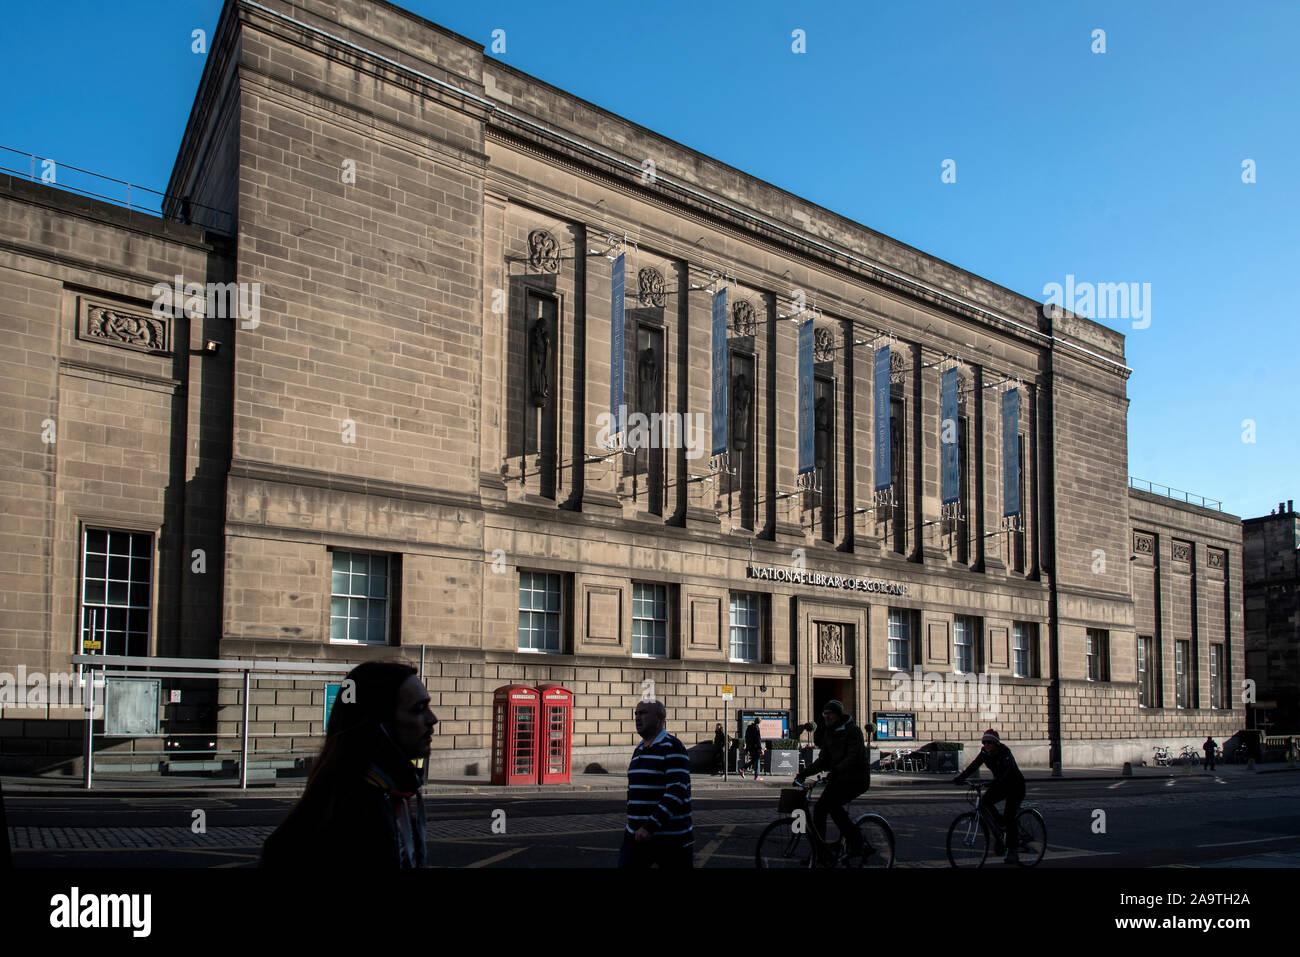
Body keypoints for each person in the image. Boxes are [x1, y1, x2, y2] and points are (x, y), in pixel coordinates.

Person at [261, 660, 437, 868]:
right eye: (418, 709)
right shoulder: (351, 814)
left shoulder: (394, 792)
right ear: (379, 722)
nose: (432, 719)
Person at [620, 699, 693, 868]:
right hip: (635, 837)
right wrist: (631, 826)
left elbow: (676, 792)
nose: (637, 718)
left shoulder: (673, 747)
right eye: (636, 714)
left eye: (643, 713)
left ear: (660, 717)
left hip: (670, 841)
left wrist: (650, 827)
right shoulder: (639, 749)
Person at [794, 700, 870, 863]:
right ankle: (819, 853)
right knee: (820, 810)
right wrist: (804, 773)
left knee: (833, 806)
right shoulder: (829, 733)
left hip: (857, 778)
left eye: (829, 714)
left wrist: (836, 770)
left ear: (838, 715)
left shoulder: (853, 731)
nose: (826, 717)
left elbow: (853, 757)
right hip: (839, 779)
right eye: (824, 714)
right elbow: (823, 760)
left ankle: (856, 843)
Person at [954, 729, 1026, 864]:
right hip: (1001, 784)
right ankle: (1000, 830)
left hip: (1015, 785)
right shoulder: (984, 753)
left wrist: (995, 782)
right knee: (985, 802)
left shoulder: (1004, 752)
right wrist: (960, 778)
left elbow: (1007, 770)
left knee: (1009, 816)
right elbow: (974, 766)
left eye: (989, 742)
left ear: (996, 743)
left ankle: (1013, 850)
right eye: (984, 742)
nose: (986, 745)